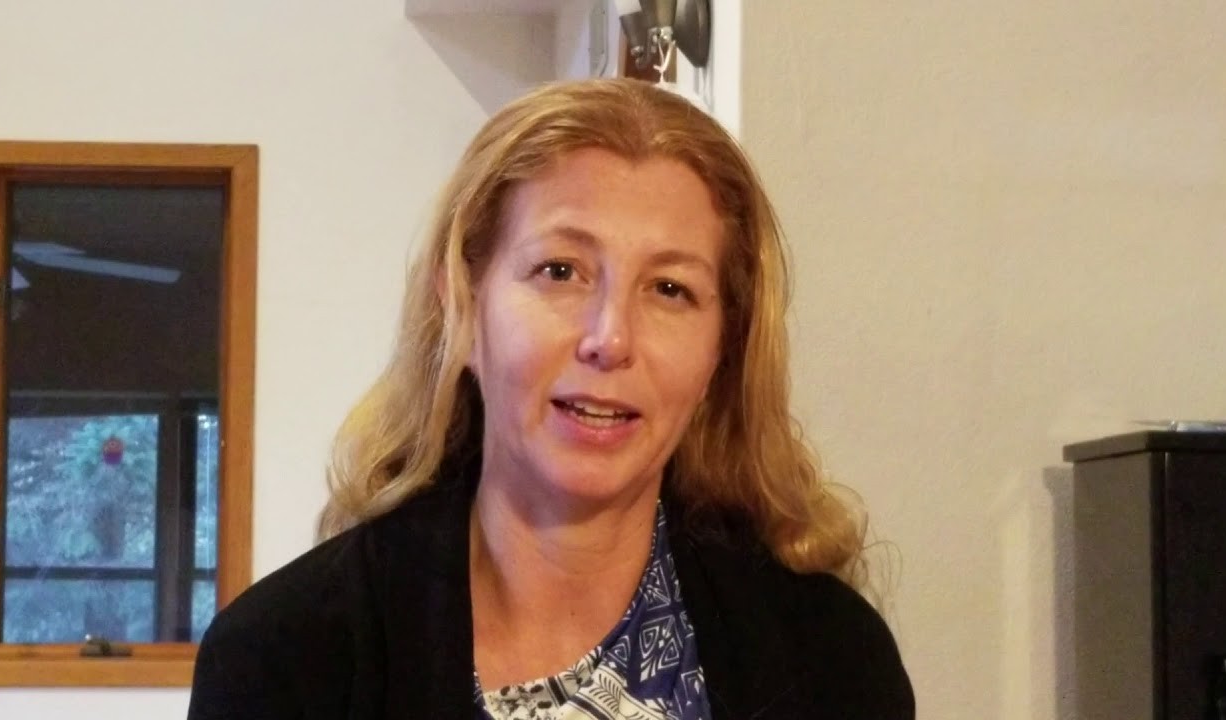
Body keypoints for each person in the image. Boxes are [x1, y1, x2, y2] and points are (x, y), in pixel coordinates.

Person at [187, 77, 914, 720]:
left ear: (722, 348)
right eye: (560, 271)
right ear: (462, 309)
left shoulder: (832, 660)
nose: (610, 338)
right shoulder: (284, 660)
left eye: (670, 289)